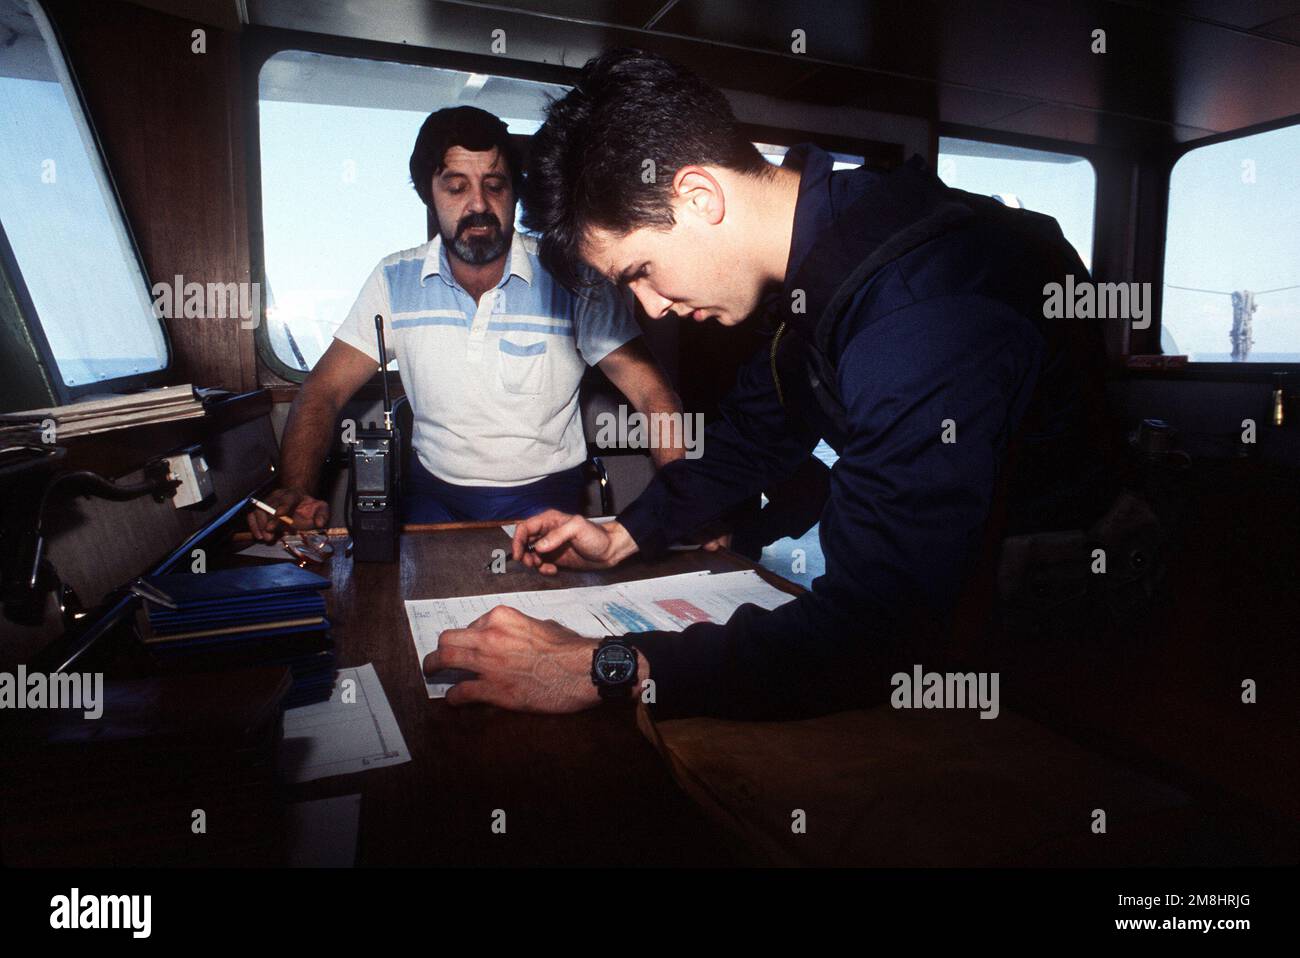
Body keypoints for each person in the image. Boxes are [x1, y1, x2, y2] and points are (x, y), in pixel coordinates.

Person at [420, 50, 1116, 720]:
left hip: (1044, 658)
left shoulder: (916, 312)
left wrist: (599, 666)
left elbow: (880, 633)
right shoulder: (829, 252)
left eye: (639, 272)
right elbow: (750, 439)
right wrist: (624, 535)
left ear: (697, 195)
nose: (653, 308)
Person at [249, 106, 682, 538]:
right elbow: (323, 390)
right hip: (433, 499)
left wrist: (679, 502)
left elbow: (652, 394)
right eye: (456, 188)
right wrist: (295, 490)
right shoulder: (393, 279)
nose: (478, 204)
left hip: (547, 501)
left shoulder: (572, 275)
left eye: (495, 186)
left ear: (515, 194)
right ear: (428, 196)